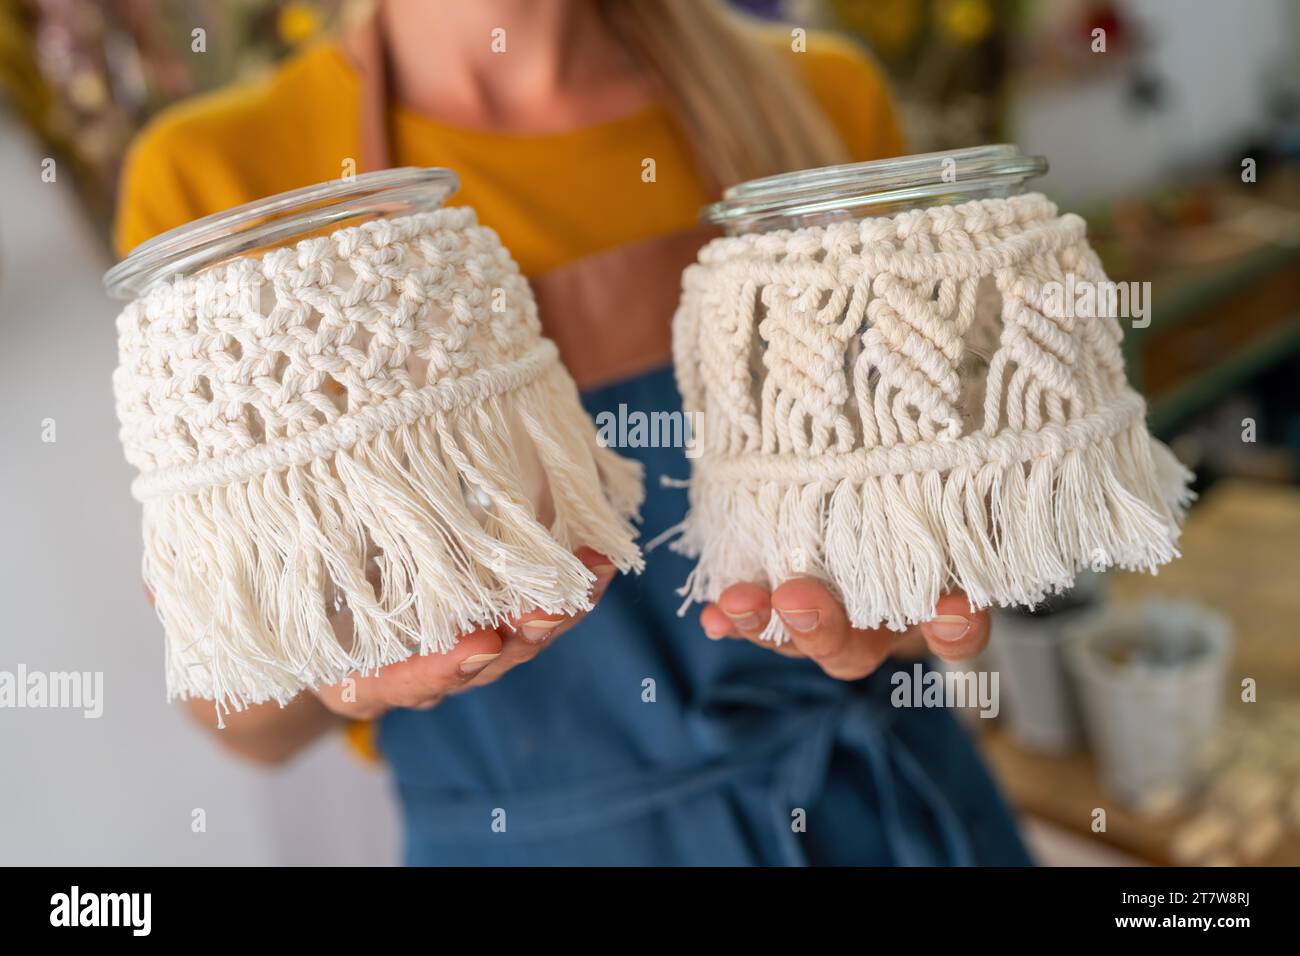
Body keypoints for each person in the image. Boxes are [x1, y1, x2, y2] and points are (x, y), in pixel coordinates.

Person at [115, 0, 1032, 865]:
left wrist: (902, 617)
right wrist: (330, 670)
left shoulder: (813, 95)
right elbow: (237, 713)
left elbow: (920, 557)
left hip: (875, 813)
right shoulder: (219, 178)